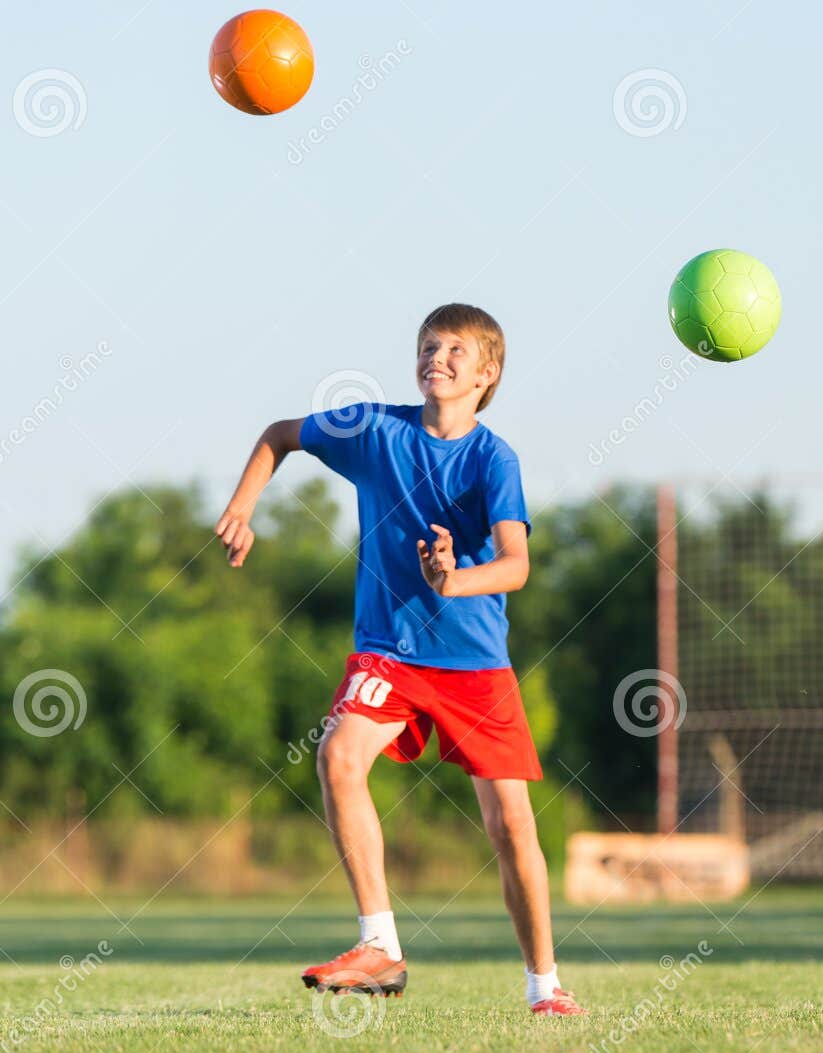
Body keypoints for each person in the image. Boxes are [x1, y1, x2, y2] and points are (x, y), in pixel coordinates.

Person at [215, 303, 584, 1016]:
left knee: (511, 826)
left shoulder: (492, 458)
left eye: (453, 349)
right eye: (426, 346)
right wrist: (242, 505)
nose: (435, 358)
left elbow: (515, 565)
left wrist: (454, 578)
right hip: (390, 653)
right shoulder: (376, 430)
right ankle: (380, 947)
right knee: (338, 755)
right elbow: (280, 435)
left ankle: (546, 986)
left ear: (487, 373)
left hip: (475, 661)